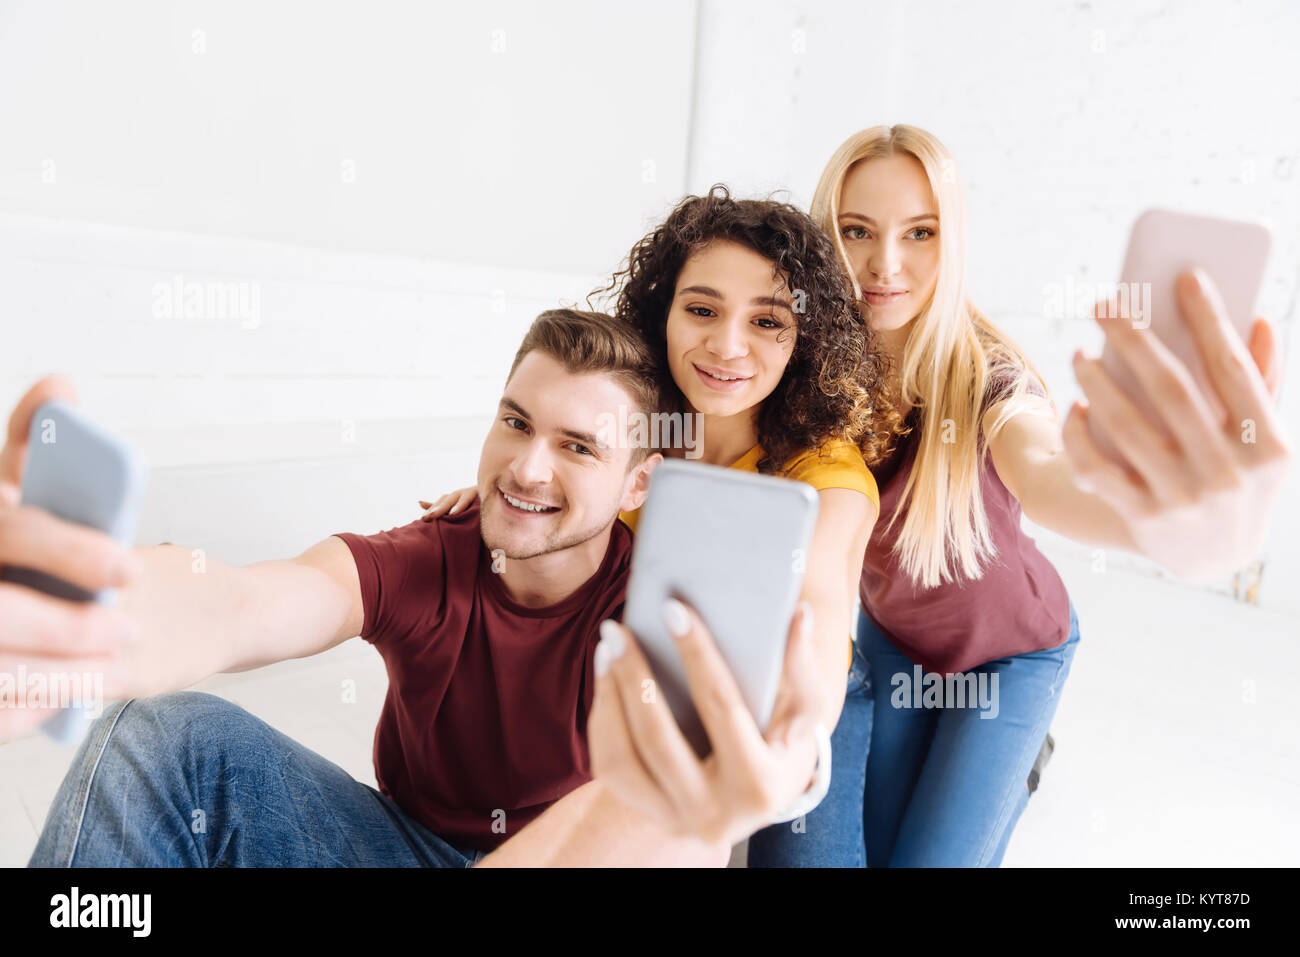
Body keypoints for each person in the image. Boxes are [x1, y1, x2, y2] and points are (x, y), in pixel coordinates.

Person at [12, 308, 820, 868]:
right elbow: (250, 603)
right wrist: (101, 613)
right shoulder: (435, 558)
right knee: (159, 736)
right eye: (515, 423)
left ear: (639, 483)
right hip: (397, 845)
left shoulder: (657, 617)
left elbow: (694, 813)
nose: (528, 467)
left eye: (577, 446)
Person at [745, 124, 1293, 867]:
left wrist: (1153, 524)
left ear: (953, 241)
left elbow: (1047, 470)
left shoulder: (989, 374)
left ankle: (1021, 755)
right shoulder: (811, 378)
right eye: (857, 230)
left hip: (1014, 655)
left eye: (920, 232)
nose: (886, 263)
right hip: (898, 642)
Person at [419, 187, 895, 846]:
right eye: (702, 308)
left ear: (802, 338)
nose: (726, 347)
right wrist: (508, 501)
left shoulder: (827, 481)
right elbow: (556, 465)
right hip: (655, 686)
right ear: (661, 314)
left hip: (805, 702)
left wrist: (789, 755)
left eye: (766, 321)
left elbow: (816, 615)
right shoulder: (637, 431)